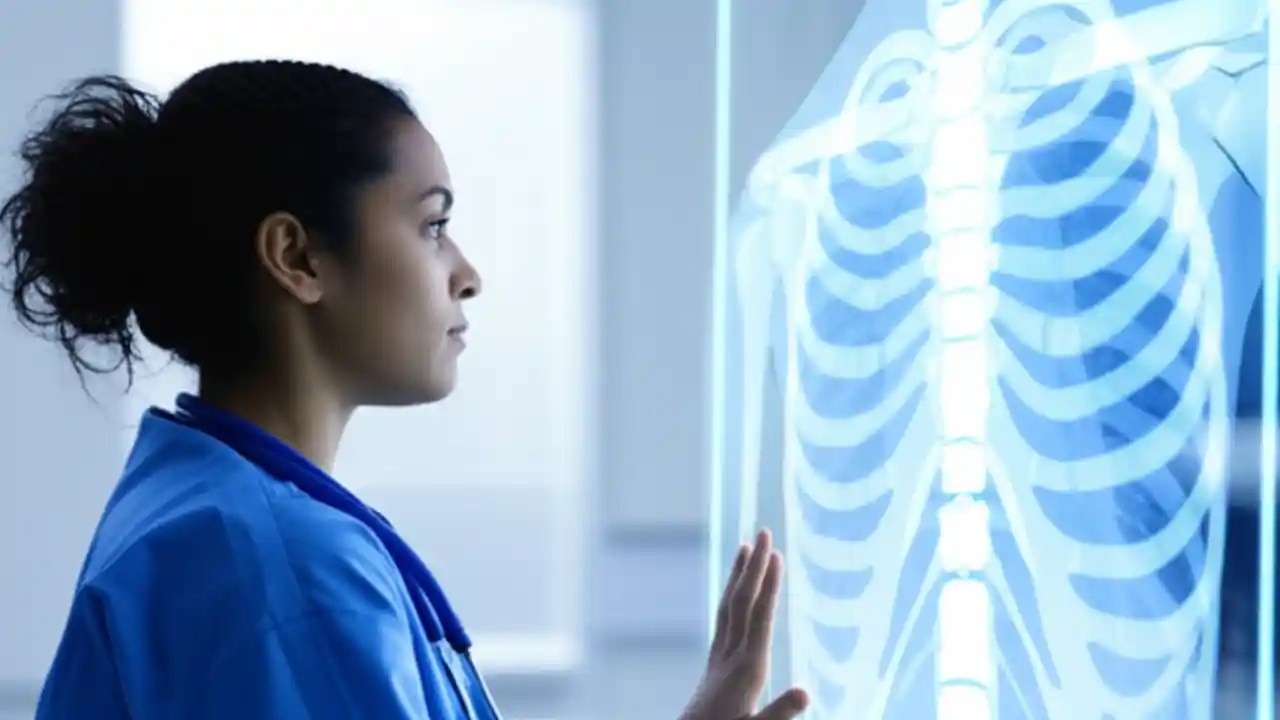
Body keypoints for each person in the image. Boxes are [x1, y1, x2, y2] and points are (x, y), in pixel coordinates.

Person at [0, 61, 810, 719]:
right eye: (431, 225)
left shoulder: (207, 508)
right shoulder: (283, 564)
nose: (466, 275)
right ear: (299, 258)